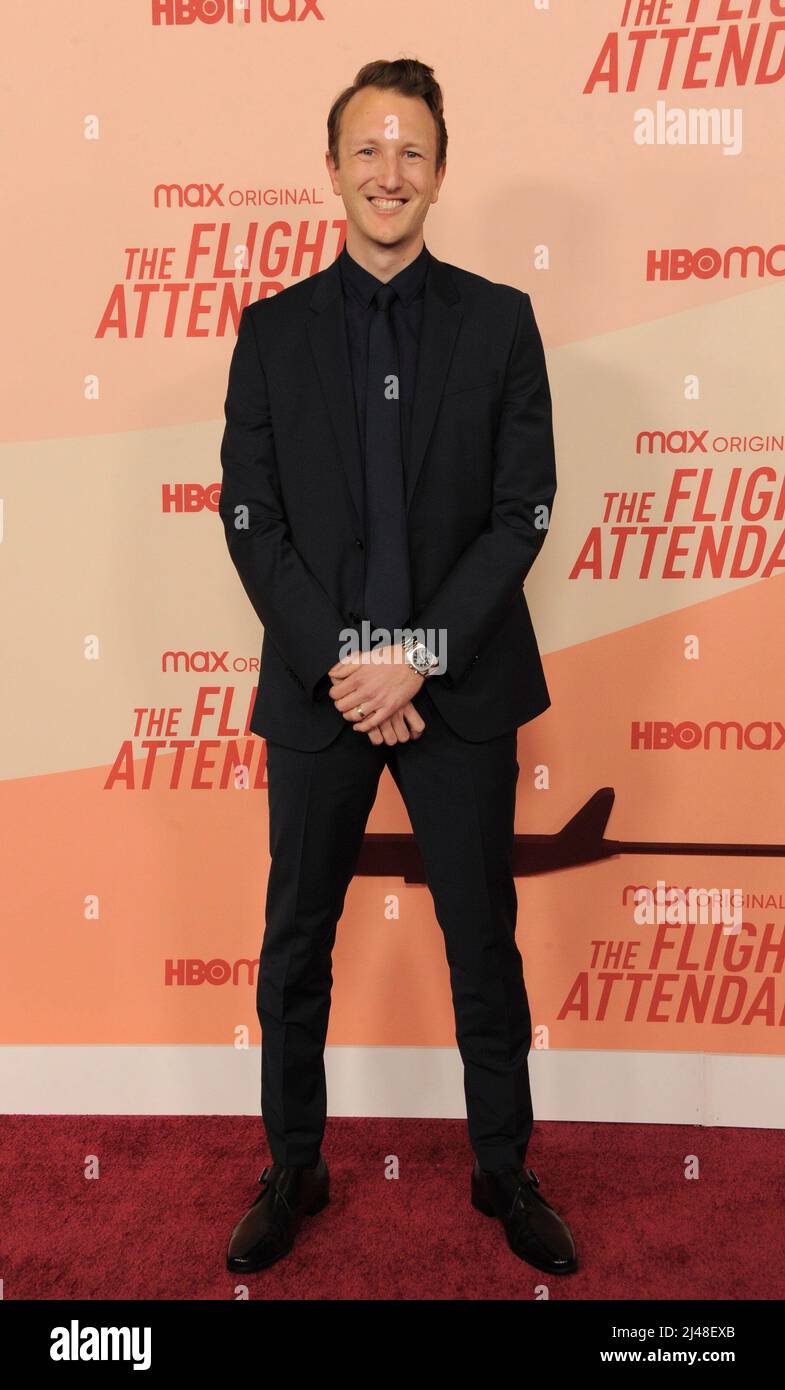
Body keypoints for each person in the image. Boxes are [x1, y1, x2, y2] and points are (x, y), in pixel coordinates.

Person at [219, 57, 576, 1277]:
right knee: (293, 950)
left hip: (456, 689)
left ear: (438, 172)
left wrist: (411, 661)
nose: (388, 172)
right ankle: (293, 1166)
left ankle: (501, 1170)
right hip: (320, 699)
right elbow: (250, 515)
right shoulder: (269, 334)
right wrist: (342, 663)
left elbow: (520, 511)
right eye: (366, 150)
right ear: (331, 170)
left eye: (410, 151)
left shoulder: (498, 322)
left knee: (482, 942)